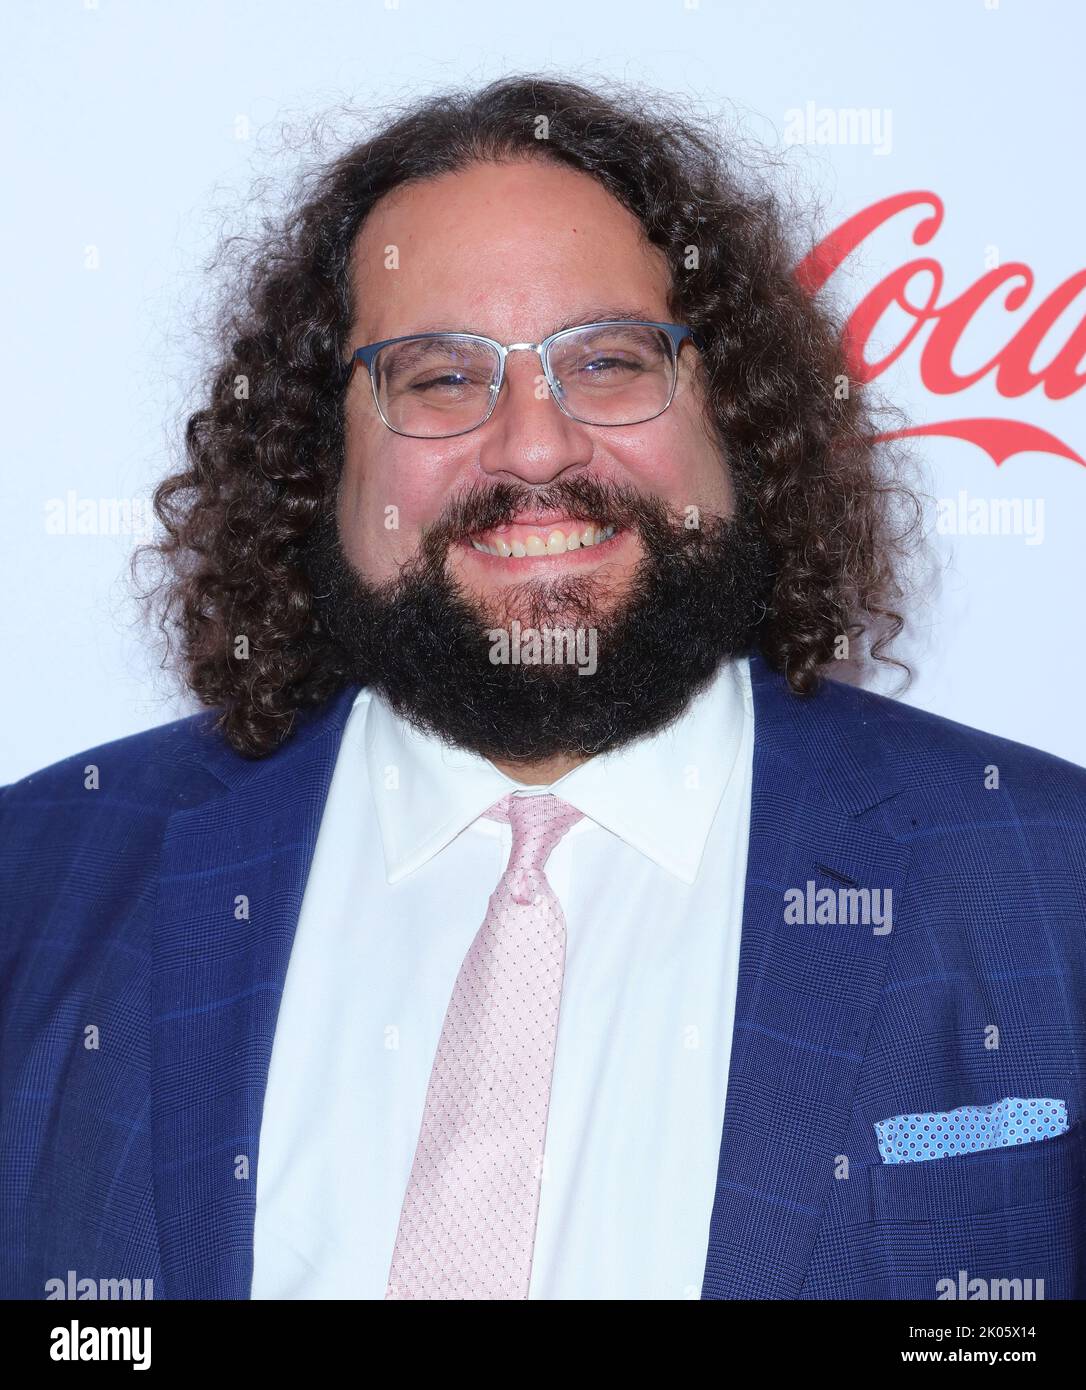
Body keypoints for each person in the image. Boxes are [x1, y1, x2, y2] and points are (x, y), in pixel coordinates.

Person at [2, 74, 1084, 1302]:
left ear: (739, 420)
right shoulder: (38, 879)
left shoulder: (1051, 883)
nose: (533, 445)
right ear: (323, 456)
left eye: (611, 362)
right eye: (442, 379)